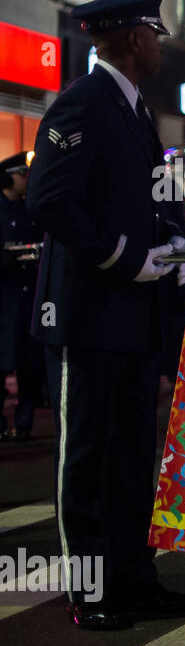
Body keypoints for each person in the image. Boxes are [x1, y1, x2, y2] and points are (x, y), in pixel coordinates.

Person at [25, 0, 185, 630]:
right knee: (87, 455)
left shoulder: (132, 110)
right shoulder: (82, 103)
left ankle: (132, 575)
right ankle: (90, 590)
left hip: (131, 313)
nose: (161, 42)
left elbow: (149, 197)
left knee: (130, 454)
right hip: (89, 310)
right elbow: (51, 200)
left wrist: (175, 240)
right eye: (156, 31)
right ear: (130, 38)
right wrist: (126, 257)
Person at [0, 151, 42, 441]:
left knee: (29, 364)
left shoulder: (29, 210)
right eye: (21, 174)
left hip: (27, 296)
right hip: (5, 296)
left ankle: (23, 424)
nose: (26, 180)